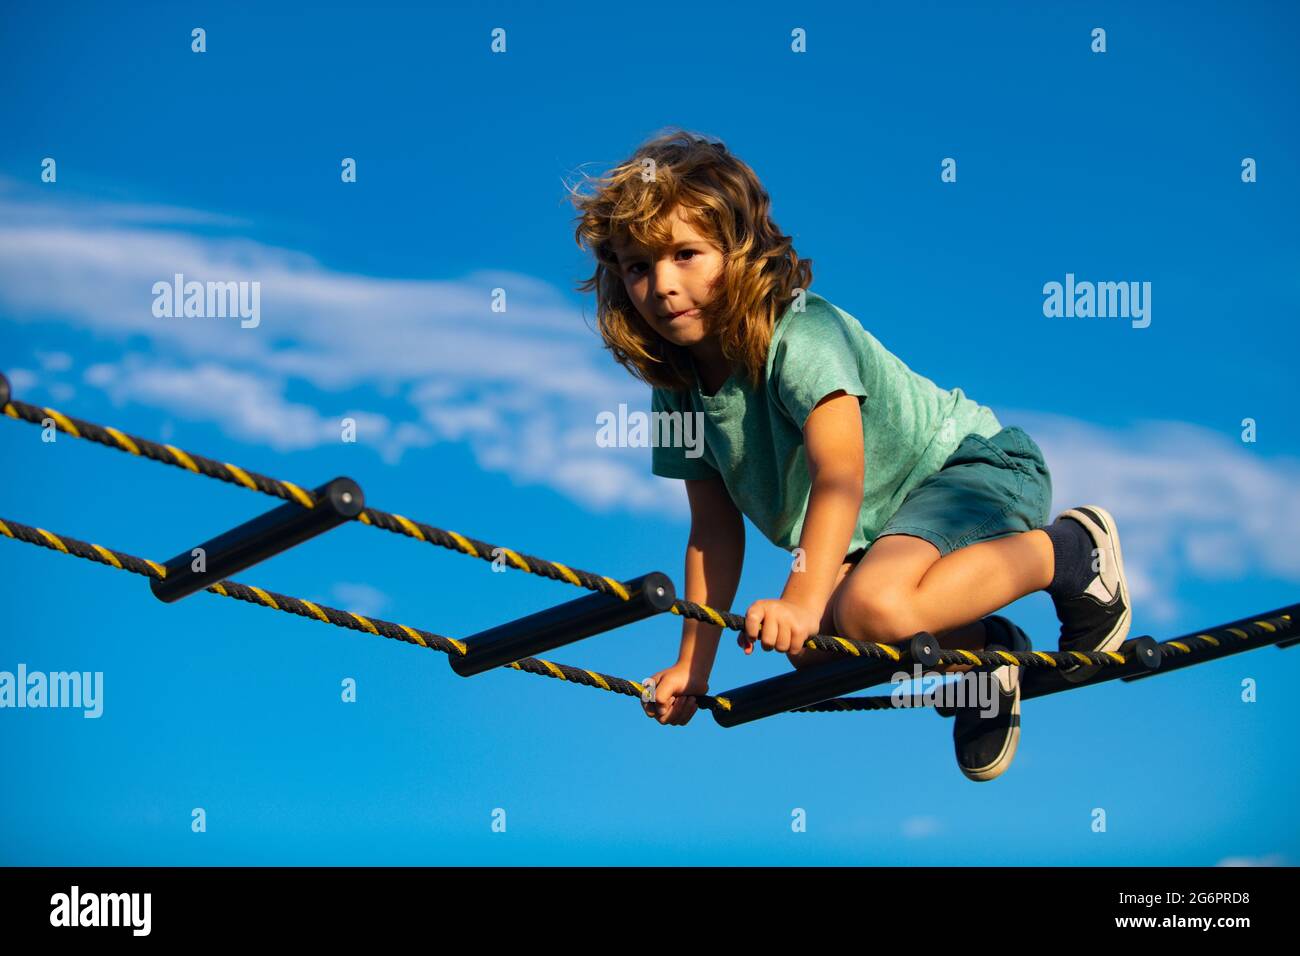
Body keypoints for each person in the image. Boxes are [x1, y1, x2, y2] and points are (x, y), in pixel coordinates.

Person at [567, 128, 1131, 781]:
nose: (661, 284)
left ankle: (1069, 551)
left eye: (686, 254)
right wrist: (695, 665)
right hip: (880, 533)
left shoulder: (801, 333)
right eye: (638, 267)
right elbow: (711, 533)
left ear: (740, 250)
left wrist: (803, 600)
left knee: (869, 610)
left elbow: (840, 473)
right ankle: (986, 659)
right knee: (818, 653)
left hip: (967, 471)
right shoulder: (675, 393)